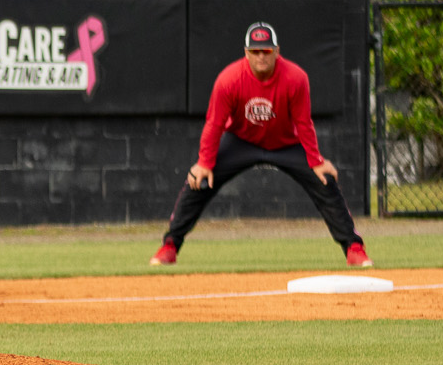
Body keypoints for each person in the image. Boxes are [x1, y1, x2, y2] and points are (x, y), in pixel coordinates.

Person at [152, 21, 369, 268]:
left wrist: (316, 160)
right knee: (199, 180)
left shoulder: (296, 78)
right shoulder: (229, 79)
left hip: (285, 142)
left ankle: (354, 248)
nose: (261, 56)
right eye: (255, 51)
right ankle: (170, 245)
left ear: (277, 51)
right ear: (246, 53)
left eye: (266, 50)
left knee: (324, 180)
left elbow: (304, 123)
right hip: (242, 141)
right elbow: (214, 123)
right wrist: (204, 163)